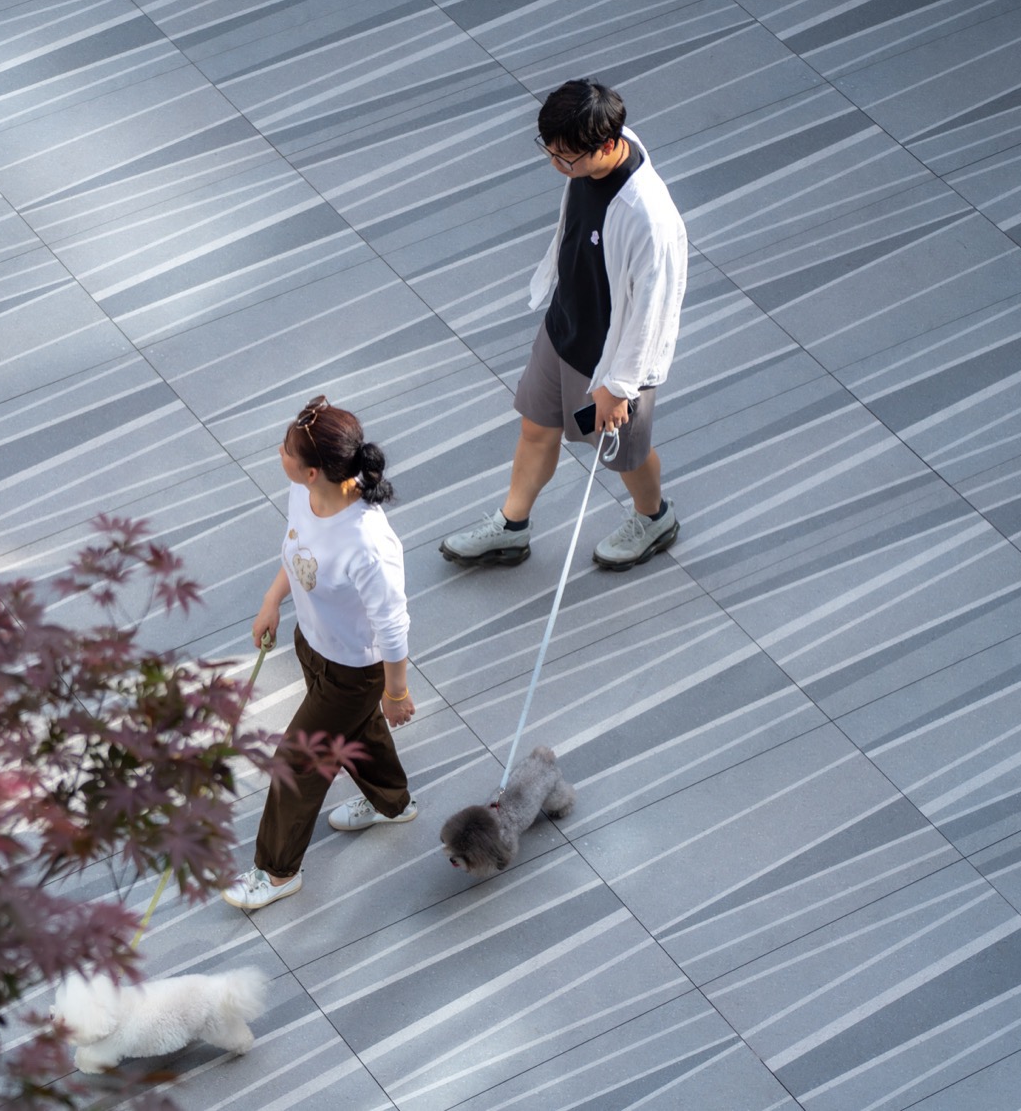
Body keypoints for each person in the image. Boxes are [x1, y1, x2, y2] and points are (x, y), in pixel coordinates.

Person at [440, 78, 688, 571]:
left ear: (609, 145)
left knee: (626, 456)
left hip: (610, 359)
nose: (558, 167)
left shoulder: (649, 218)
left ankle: (654, 517)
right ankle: (512, 528)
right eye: (551, 153)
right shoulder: (593, 151)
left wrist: (619, 387)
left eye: (567, 159)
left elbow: (656, 310)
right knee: (536, 428)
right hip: (563, 329)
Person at [223, 395, 417, 911]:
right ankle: (393, 803)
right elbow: (297, 550)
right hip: (314, 645)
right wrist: (271, 600)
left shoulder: (368, 544)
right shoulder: (303, 495)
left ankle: (277, 871)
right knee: (357, 730)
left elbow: (393, 628)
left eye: (286, 449)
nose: (279, 453)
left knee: (299, 763)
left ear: (313, 471)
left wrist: (395, 692)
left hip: (356, 670)